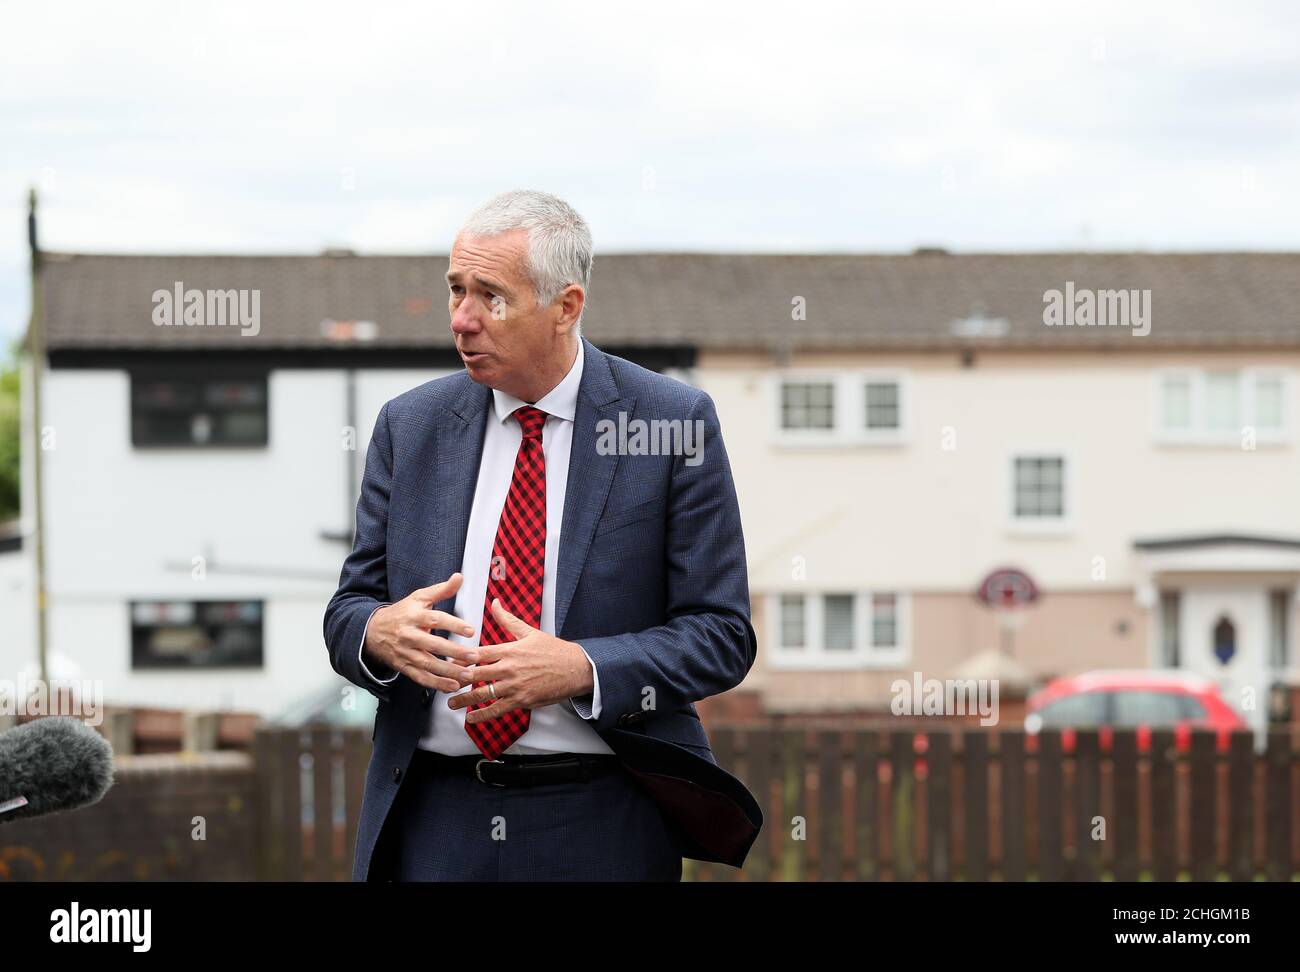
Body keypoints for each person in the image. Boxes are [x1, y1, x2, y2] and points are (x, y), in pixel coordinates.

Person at [323, 189, 760, 881]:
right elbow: (347, 611)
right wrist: (378, 632)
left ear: (567, 306)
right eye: (456, 290)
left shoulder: (671, 423)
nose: (462, 320)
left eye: (491, 296)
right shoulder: (411, 427)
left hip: (602, 821)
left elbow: (721, 634)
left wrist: (583, 669)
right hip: (433, 820)